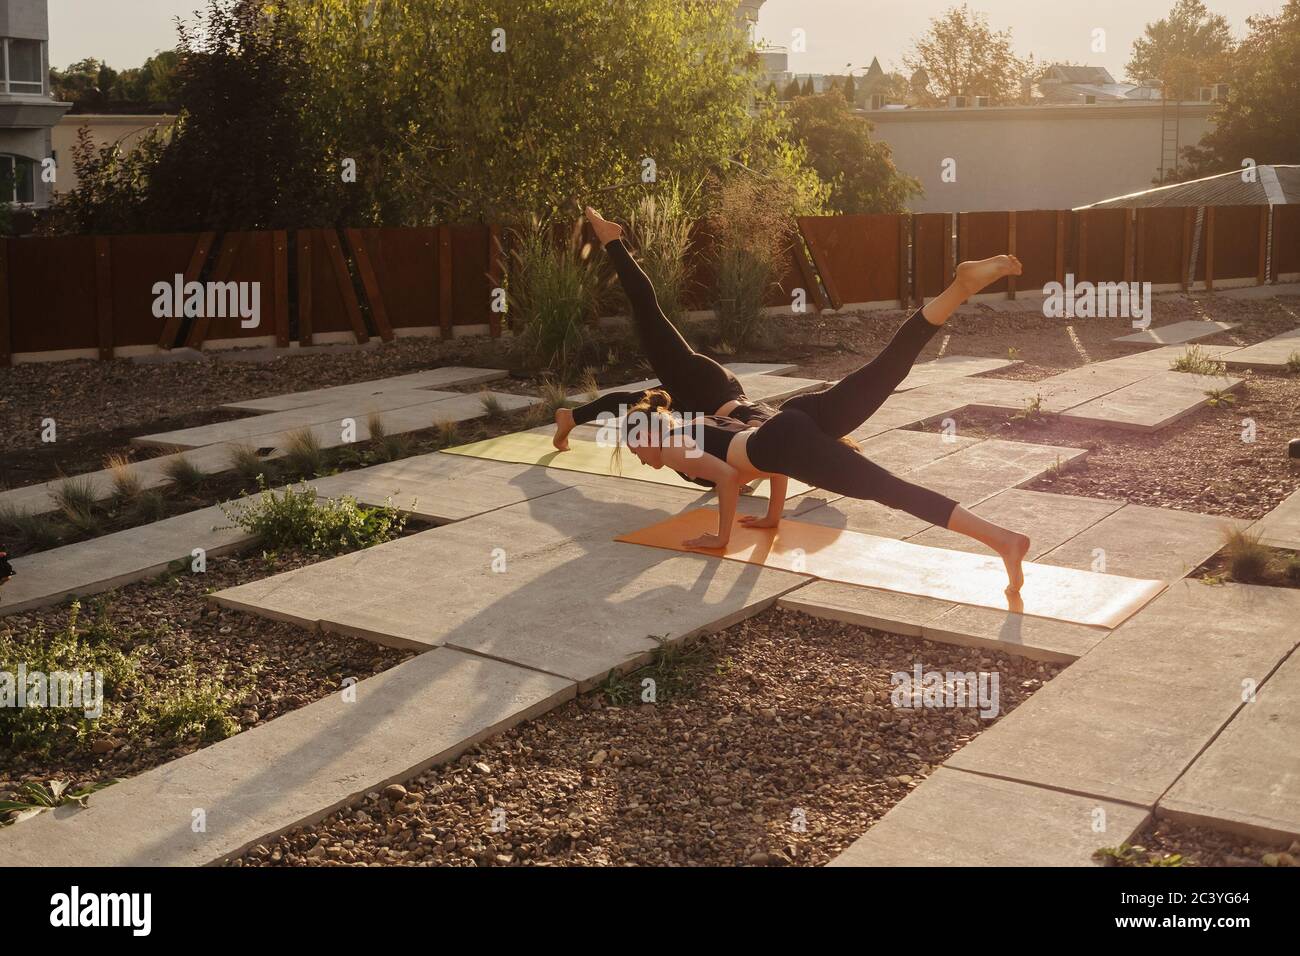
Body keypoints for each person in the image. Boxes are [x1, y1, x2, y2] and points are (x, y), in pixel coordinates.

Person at [617, 253, 1034, 593]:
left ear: (647, 433)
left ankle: (1003, 540)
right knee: (889, 366)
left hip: (785, 438)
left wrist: (721, 538)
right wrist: (772, 518)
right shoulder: (695, 426)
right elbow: (769, 458)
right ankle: (959, 287)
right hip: (792, 420)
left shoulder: (673, 445)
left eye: (635, 449)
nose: (640, 459)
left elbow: (728, 478)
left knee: (891, 490)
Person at [553, 207, 779, 454]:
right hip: (702, 387)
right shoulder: (767, 434)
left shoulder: (783, 430)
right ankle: (612, 241)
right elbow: (728, 440)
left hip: (711, 393)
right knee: (648, 312)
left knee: (641, 401)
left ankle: (570, 418)